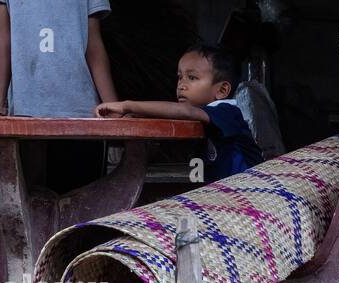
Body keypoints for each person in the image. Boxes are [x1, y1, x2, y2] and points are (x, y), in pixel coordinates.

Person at [0, 0, 117, 192]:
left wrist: (113, 106)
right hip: (26, 116)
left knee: (82, 206)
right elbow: (2, 37)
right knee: (30, 203)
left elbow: (93, 44)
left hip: (82, 116)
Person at [95, 45, 263, 183]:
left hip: (248, 194)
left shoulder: (227, 111)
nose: (181, 84)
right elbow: (198, 169)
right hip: (220, 196)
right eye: (180, 77)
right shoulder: (203, 117)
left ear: (222, 90)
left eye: (192, 77)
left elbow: (184, 111)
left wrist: (127, 106)